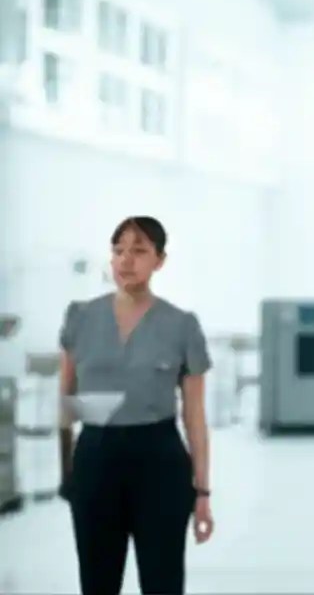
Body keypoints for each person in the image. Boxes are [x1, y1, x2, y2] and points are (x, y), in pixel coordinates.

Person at [56, 216, 214, 595]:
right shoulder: (81, 317)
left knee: (162, 581)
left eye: (139, 251)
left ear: (159, 261)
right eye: (118, 250)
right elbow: (66, 404)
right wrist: (67, 475)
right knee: (98, 581)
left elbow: (194, 416)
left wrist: (203, 493)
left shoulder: (181, 325)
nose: (126, 260)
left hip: (159, 459)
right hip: (96, 456)